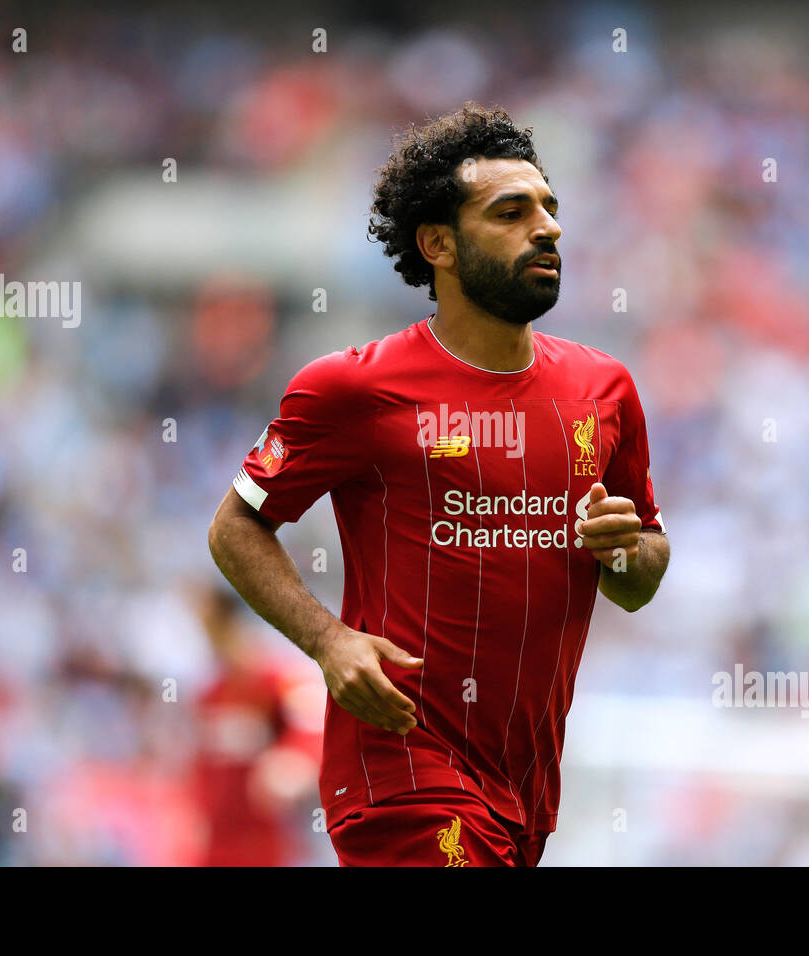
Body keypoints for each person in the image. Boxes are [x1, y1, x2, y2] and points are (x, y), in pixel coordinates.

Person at [209, 102, 669, 866]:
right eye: (511, 212)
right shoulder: (354, 389)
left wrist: (627, 550)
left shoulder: (604, 389)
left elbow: (638, 579)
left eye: (550, 209)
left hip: (525, 788)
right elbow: (236, 526)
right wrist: (327, 642)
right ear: (438, 244)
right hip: (403, 770)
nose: (548, 228)